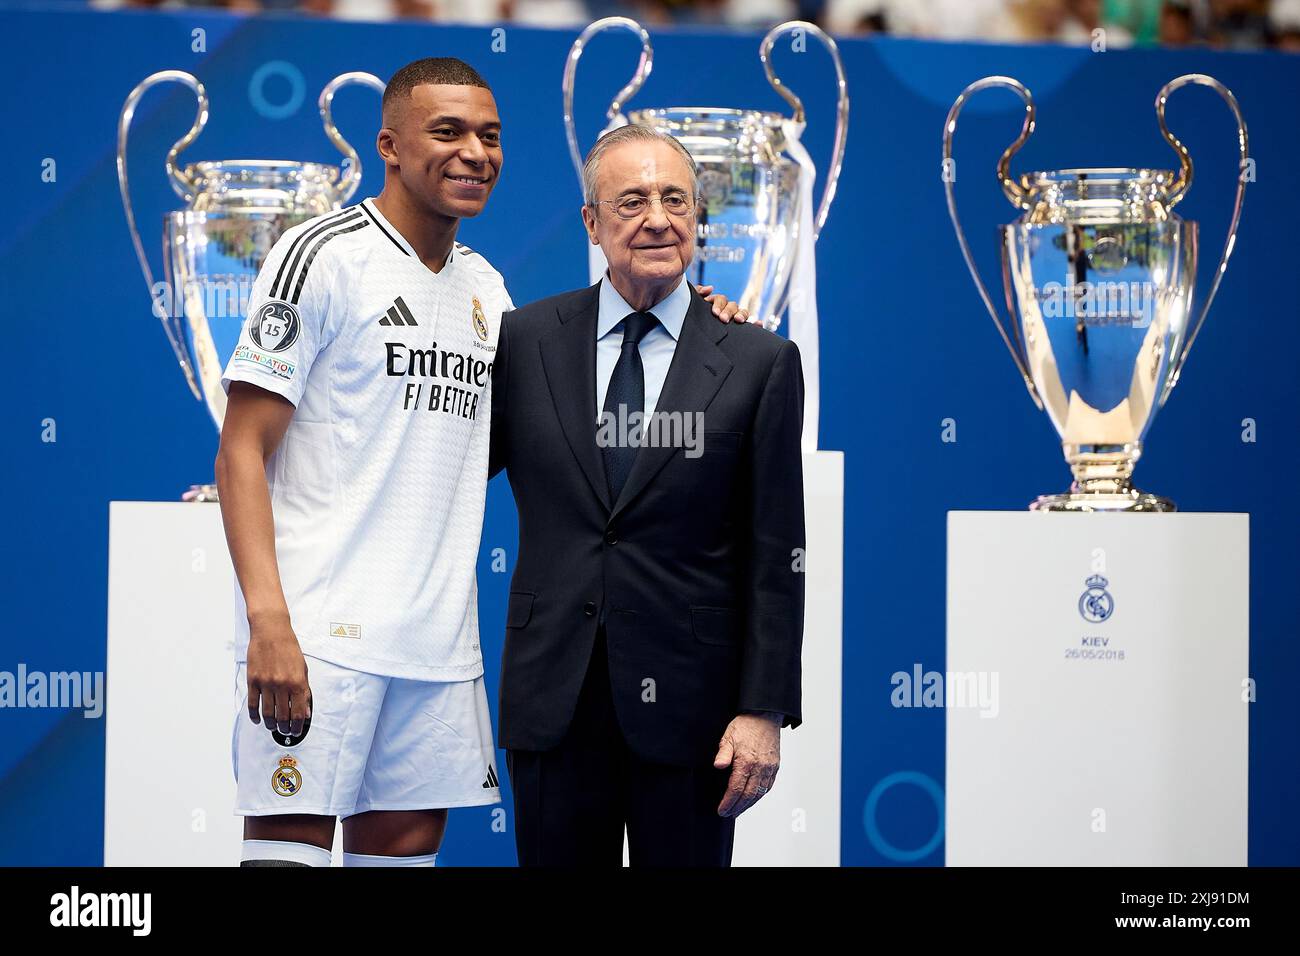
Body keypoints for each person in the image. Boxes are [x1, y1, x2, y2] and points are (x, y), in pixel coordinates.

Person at [215, 58, 745, 867]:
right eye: (448, 131)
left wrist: (691, 321)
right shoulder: (321, 254)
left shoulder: (490, 295)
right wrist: (268, 622)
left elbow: (548, 435)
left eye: (490, 137)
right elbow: (241, 448)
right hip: (319, 635)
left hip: (436, 649)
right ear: (388, 145)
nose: (475, 152)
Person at [489, 125, 806, 867]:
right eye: (631, 201)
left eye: (675, 199)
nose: (657, 219)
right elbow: (444, 475)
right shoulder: (522, 342)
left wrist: (763, 710)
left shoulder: (758, 361)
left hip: (696, 713)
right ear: (592, 223)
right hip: (554, 701)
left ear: (699, 218)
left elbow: (777, 553)